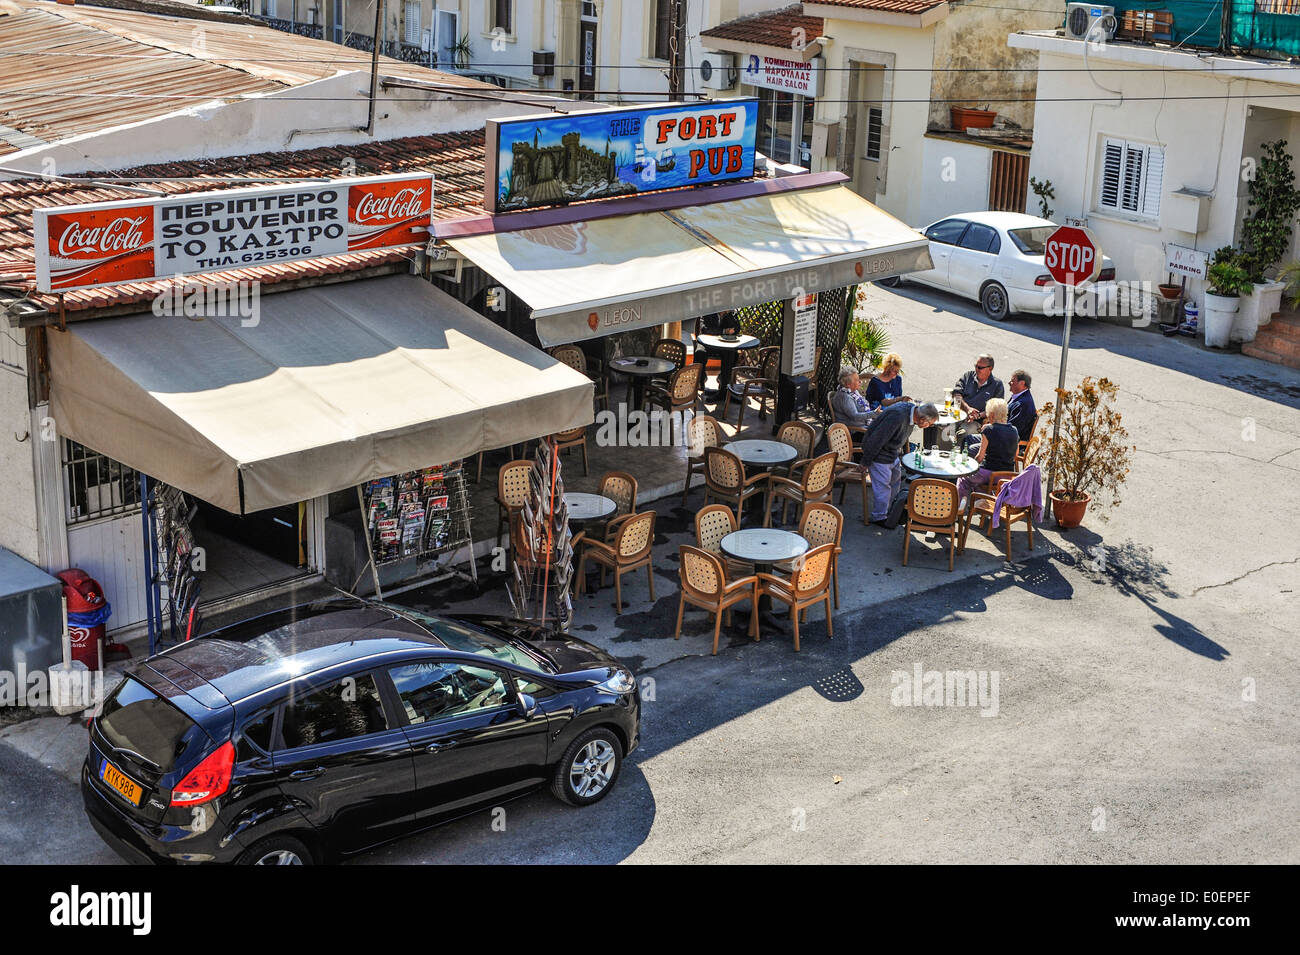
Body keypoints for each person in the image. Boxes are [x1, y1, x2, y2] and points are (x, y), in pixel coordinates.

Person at [859, 401, 941, 524]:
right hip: (880, 454)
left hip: (892, 452)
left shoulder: (913, 412)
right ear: (922, 419)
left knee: (896, 481)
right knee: (883, 487)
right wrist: (865, 462)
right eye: (929, 424)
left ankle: (891, 510)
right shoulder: (898, 417)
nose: (928, 426)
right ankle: (880, 517)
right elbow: (876, 440)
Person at [927, 353, 1005, 449]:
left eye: (980, 367)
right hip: (957, 414)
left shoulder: (997, 385)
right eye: (976, 366)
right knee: (939, 428)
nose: (977, 369)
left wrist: (978, 415)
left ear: (990, 368)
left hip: (975, 421)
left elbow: (995, 409)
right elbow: (956, 394)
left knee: (964, 434)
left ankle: (956, 457)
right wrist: (967, 408)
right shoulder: (968, 376)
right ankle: (941, 453)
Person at [956, 398, 1020, 505]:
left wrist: (969, 467)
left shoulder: (988, 430)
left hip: (990, 473)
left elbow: (980, 456)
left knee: (963, 478)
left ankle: (959, 507)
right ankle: (981, 501)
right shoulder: (1014, 430)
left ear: (991, 415)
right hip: (1007, 475)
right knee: (977, 480)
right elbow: (1016, 455)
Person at [831, 367, 879, 432]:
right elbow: (855, 416)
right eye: (857, 380)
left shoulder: (852, 392)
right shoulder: (845, 397)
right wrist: (874, 413)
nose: (860, 381)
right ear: (848, 384)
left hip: (862, 425)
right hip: (854, 431)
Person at [1006, 369, 1037, 443]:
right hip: (1001, 436)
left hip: (1008, 444)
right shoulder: (1018, 396)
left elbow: (1012, 429)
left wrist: (992, 428)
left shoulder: (1023, 404)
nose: (1009, 383)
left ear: (1022, 383)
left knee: (972, 446)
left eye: (1012, 381)